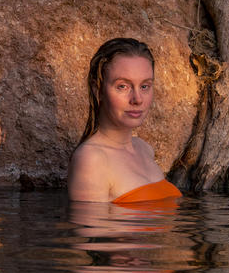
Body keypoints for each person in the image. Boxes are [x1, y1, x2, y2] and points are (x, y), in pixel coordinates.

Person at [67, 37, 181, 203]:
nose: (137, 99)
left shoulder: (144, 149)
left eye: (144, 86)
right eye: (123, 86)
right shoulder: (91, 160)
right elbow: (92, 229)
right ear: (97, 89)